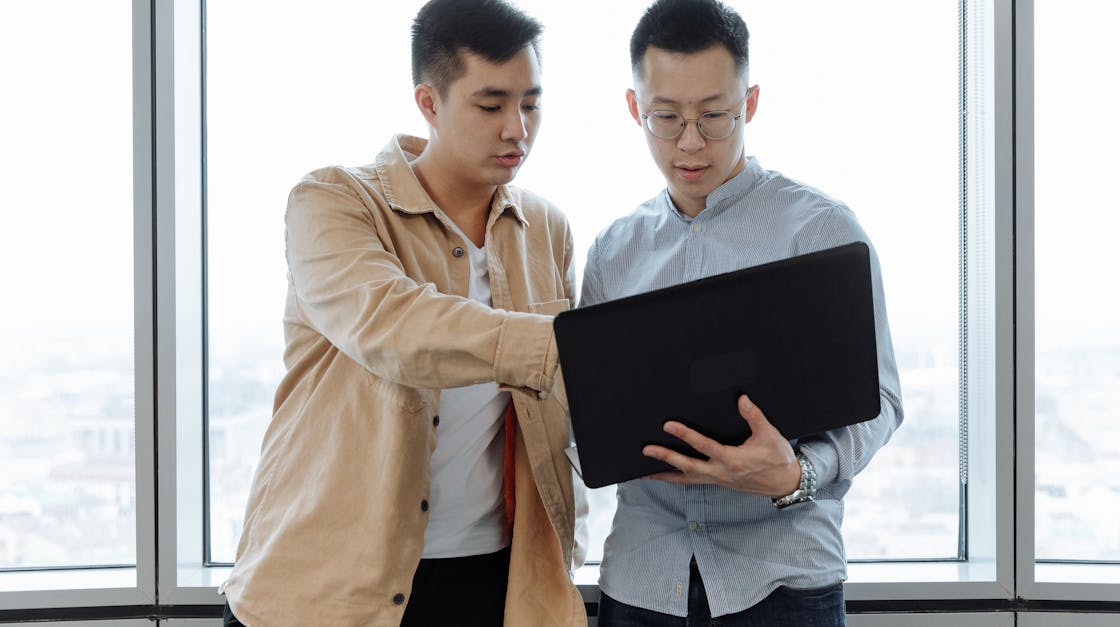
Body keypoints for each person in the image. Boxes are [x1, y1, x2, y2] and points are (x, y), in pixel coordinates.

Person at [218, 0, 586, 625]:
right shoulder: (334, 201)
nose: (517, 129)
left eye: (532, 104)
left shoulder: (545, 228)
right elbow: (396, 328)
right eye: (491, 105)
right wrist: (572, 345)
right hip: (328, 589)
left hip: (492, 582)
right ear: (429, 103)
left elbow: (555, 415)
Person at [584, 1, 904, 625]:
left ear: (750, 104)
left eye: (714, 116)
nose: (691, 142)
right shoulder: (614, 251)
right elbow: (587, 412)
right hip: (644, 582)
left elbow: (882, 400)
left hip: (783, 580)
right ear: (633, 109)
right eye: (666, 117)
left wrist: (798, 474)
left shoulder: (820, 230)